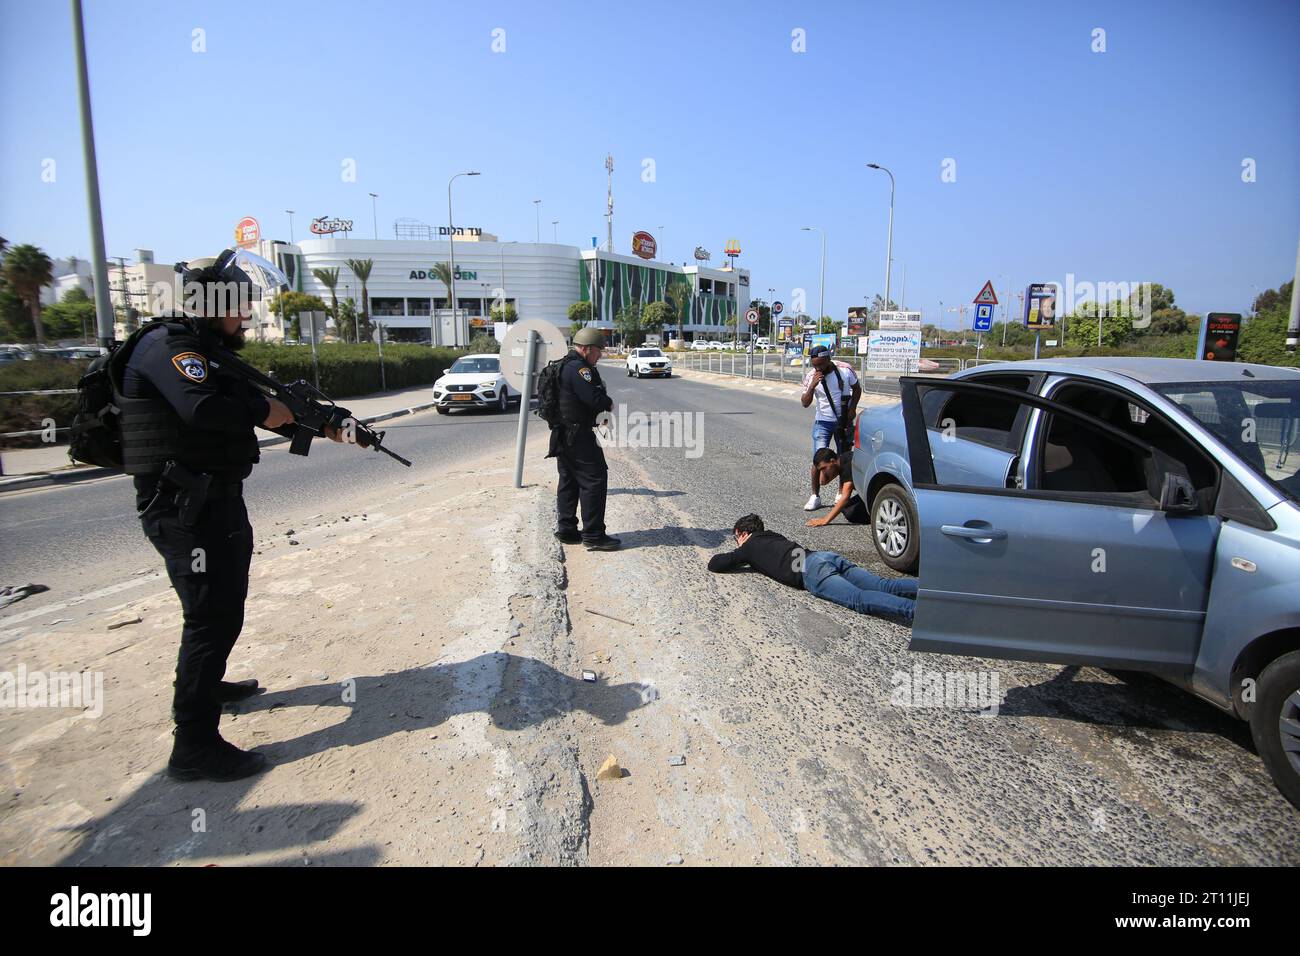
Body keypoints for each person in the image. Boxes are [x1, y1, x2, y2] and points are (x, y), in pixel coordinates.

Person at [119, 249, 341, 782]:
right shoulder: (168, 348)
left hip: (213, 502)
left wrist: (330, 426)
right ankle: (193, 746)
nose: (244, 319)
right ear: (207, 305)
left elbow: (271, 410)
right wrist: (267, 412)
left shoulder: (210, 351)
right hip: (183, 508)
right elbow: (202, 409)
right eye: (238, 309)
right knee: (209, 617)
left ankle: (210, 684)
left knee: (223, 609)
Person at [707, 514, 916, 625]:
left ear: (740, 533)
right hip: (822, 556)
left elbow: (715, 564)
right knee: (883, 584)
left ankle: (920, 612)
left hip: (810, 571)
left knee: (859, 599)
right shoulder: (771, 535)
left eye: (736, 538)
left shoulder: (748, 547)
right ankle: (937, 589)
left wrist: (741, 551)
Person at [547, 326, 620, 551]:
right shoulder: (580, 369)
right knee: (594, 480)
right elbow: (594, 399)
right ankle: (594, 535)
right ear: (587, 349)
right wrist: (607, 403)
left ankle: (567, 530)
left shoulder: (563, 365)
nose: (601, 355)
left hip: (563, 433)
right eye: (599, 350)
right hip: (579, 436)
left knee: (568, 481)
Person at [800, 344, 861, 511]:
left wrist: (852, 408)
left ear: (828, 359)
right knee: (818, 459)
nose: (818, 368)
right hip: (823, 422)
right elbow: (805, 403)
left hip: (844, 422)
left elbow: (857, 389)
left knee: (843, 459)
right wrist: (812, 385)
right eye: (815, 365)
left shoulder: (845, 370)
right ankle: (815, 496)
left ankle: (841, 493)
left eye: (821, 364)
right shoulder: (812, 376)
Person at [804, 447, 869, 528]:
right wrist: (822, 469)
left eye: (824, 468)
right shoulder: (840, 461)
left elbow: (845, 497)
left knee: (850, 513)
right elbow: (823, 482)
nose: (823, 472)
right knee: (845, 508)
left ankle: (876, 516)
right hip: (867, 491)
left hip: (875, 491)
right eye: (821, 470)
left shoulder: (847, 466)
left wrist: (825, 520)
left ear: (833, 461)